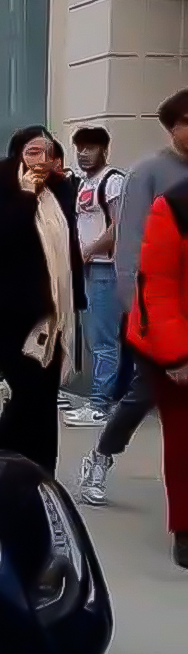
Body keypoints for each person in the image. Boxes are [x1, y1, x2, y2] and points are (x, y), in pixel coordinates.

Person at [80, 87, 188, 504]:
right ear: (171, 128)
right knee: (143, 393)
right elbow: (129, 245)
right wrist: (137, 310)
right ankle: (101, 456)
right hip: (155, 310)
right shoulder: (148, 173)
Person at [0, 128, 85, 474]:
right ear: (17, 153)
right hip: (8, 310)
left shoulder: (60, 190)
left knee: (44, 393)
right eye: (33, 152)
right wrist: (27, 196)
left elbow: (68, 247)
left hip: (53, 310)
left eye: (49, 153)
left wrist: (76, 297)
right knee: (28, 389)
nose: (41, 161)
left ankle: (40, 467)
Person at [126, 185, 188, 568]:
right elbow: (158, 287)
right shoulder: (176, 206)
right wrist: (177, 356)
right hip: (175, 340)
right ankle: (185, 527)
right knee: (183, 440)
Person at [60, 127, 124, 428]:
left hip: (104, 268)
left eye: (91, 148)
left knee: (104, 340)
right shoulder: (85, 182)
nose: (84, 154)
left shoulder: (113, 181)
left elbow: (118, 226)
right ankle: (99, 399)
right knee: (92, 338)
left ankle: (101, 404)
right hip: (87, 268)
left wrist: (88, 251)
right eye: (80, 148)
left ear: (105, 150)